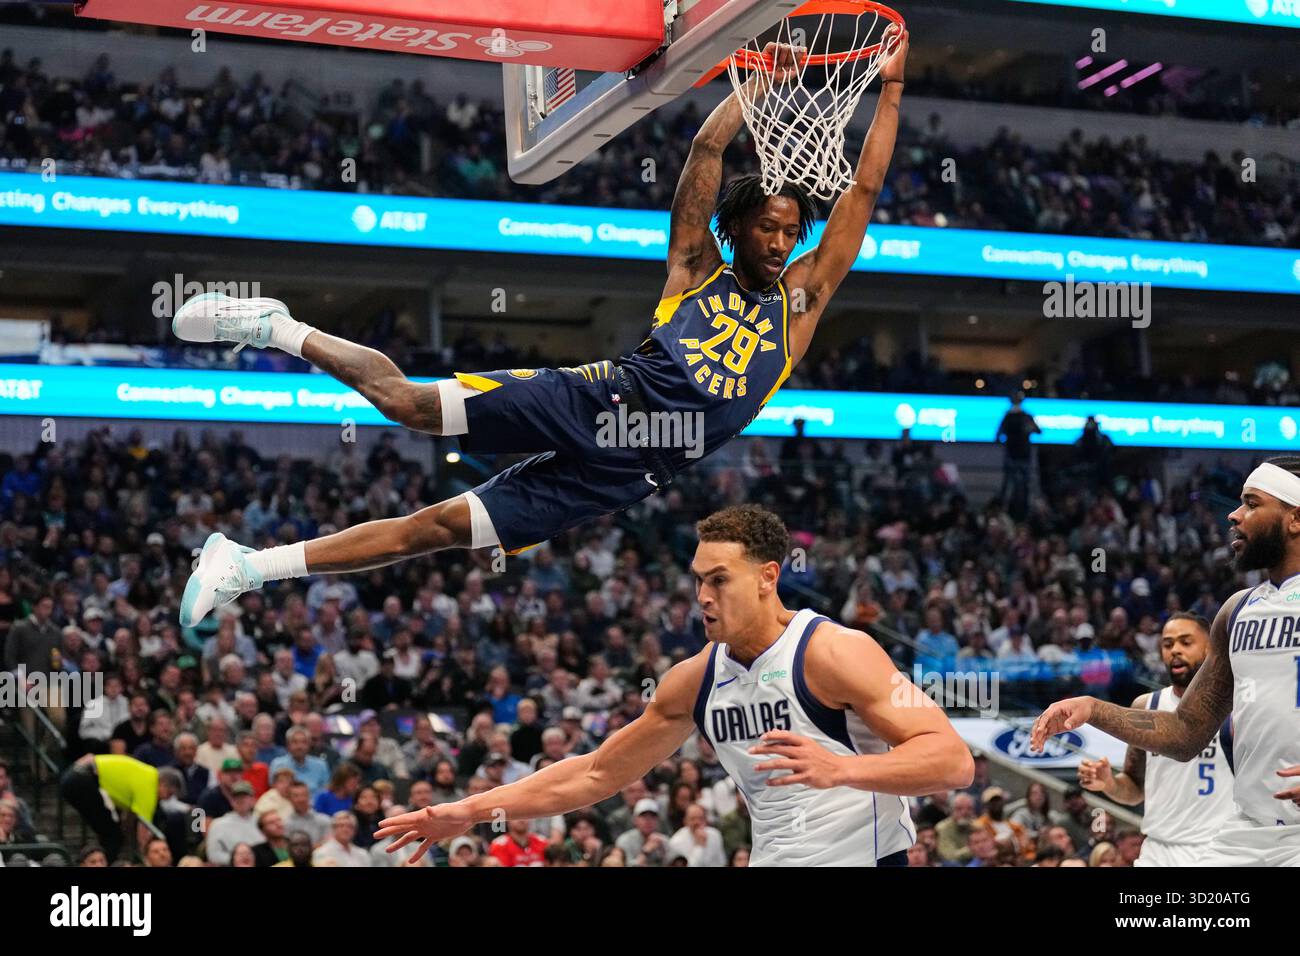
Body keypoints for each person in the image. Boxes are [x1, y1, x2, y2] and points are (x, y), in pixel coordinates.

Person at [172, 30, 914, 626]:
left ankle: (245, 566)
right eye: (768, 229)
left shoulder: (801, 304)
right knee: (406, 406)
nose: (782, 243)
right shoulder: (694, 268)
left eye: (791, 233)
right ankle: (276, 326)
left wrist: (892, 88)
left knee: (431, 531)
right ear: (739, 230)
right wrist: (756, 87)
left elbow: (867, 186)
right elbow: (707, 153)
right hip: (598, 398)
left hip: (624, 475)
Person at [376, 505, 971, 866]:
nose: (704, 597)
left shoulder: (837, 651)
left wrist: (841, 769)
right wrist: (469, 811)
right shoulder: (695, 680)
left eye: (720, 580)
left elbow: (951, 760)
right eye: (697, 581)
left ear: (768, 578)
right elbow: (596, 773)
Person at [1033, 457, 1300, 866]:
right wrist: (1092, 708)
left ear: (1294, 520)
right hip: (1248, 834)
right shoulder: (1237, 611)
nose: (1234, 514)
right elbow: (1186, 729)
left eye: (1251, 503)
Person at [1076, 612, 1235, 866]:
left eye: (1186, 642)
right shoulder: (1145, 705)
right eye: (1168, 644)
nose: (1175, 650)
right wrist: (1108, 783)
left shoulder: (1235, 705)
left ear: (1210, 647)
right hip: (1158, 849)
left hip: (1218, 848)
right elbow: (1135, 788)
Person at [995, 392, 1040, 520]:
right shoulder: (1024, 416)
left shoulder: (1012, 417)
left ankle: (1011, 511)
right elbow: (1038, 430)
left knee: (1011, 485)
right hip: (1019, 456)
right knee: (1017, 485)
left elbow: (997, 436)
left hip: (1015, 456)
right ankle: (1009, 512)